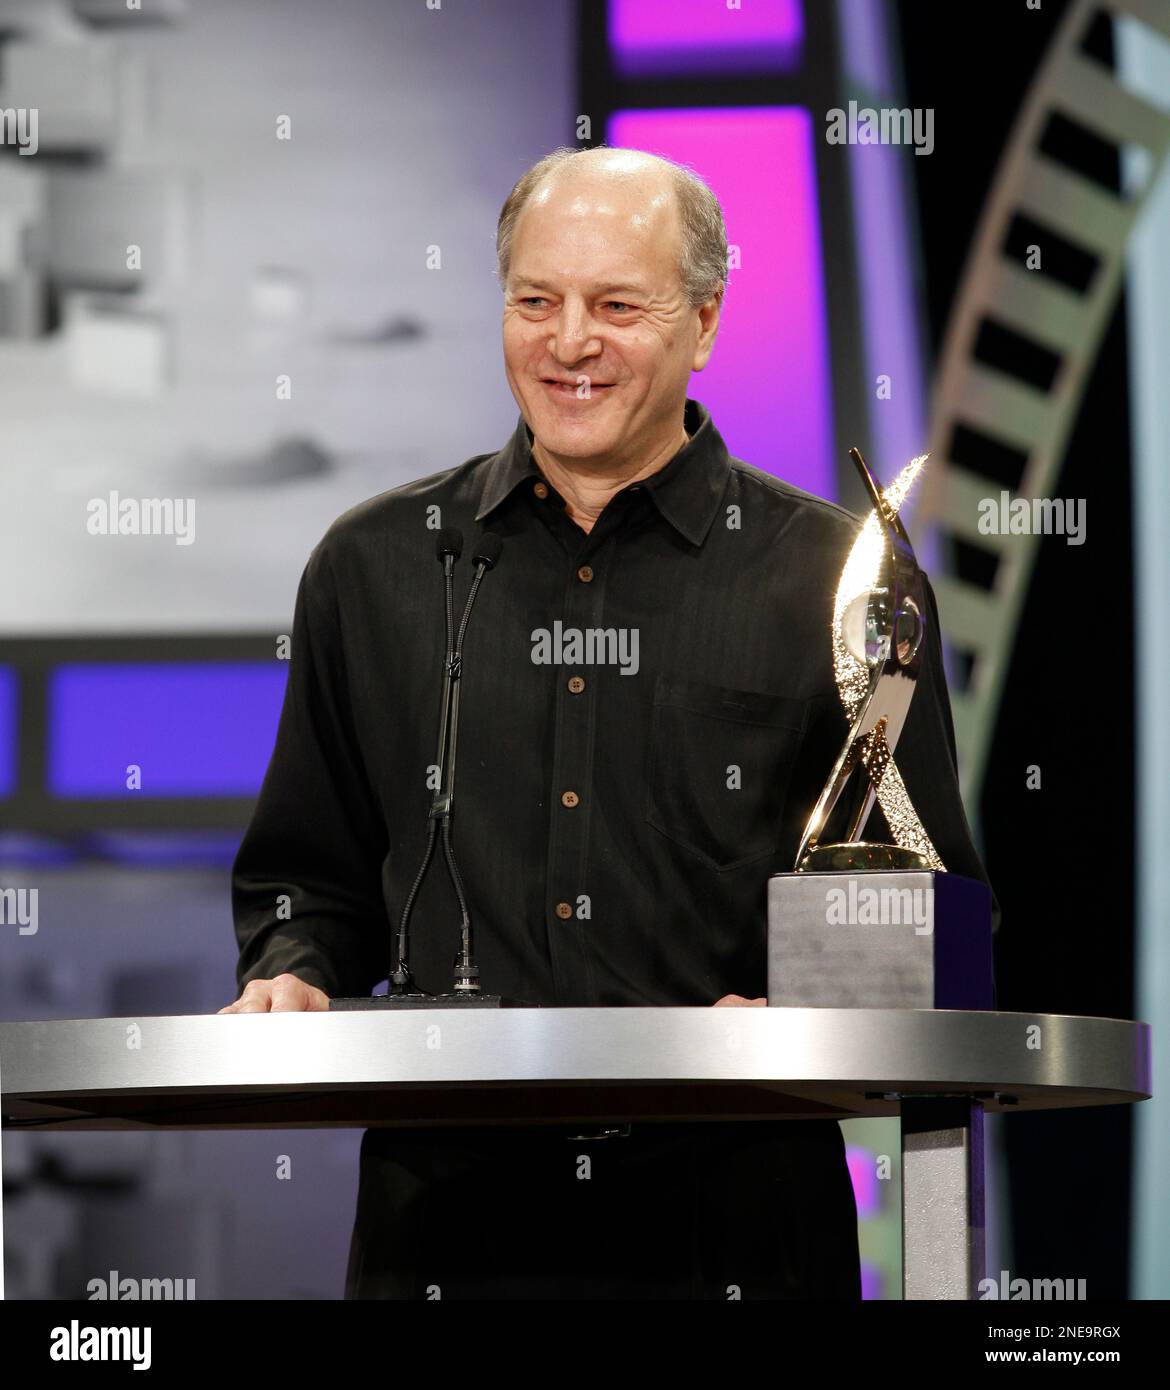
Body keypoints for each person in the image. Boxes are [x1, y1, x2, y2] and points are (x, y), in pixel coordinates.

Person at [222, 145, 996, 1299]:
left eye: (615, 306)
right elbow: (310, 882)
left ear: (706, 320)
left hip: (733, 1231)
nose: (567, 342)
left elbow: (927, 921)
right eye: (536, 300)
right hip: (446, 1233)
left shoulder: (842, 584)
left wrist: (807, 1011)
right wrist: (292, 970)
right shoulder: (372, 568)